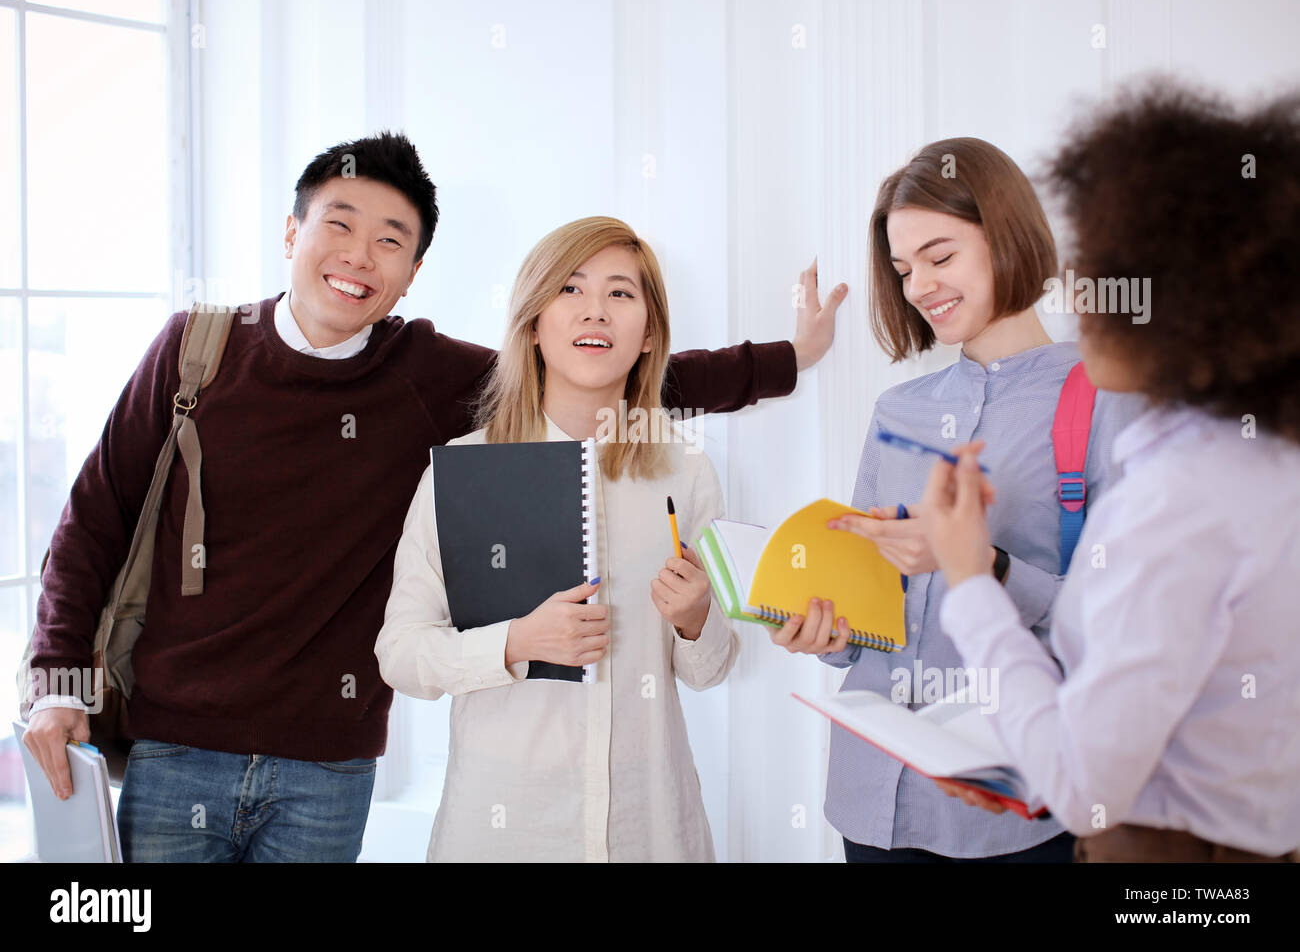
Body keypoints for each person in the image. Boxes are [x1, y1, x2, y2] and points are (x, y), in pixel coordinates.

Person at [19, 132, 843, 862]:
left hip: (329, 763)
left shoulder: (427, 375)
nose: (357, 257)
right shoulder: (192, 354)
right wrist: (58, 687)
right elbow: (92, 521)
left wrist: (790, 356)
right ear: (291, 232)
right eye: (337, 225)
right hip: (174, 746)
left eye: (390, 242)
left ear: (412, 275)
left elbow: (607, 363)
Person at [921, 83, 1300, 863]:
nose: (1077, 291)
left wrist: (969, 578)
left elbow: (1086, 785)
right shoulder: (1262, 462)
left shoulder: (1177, 502)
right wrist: (1020, 761)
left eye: (1099, 268)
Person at [769, 137, 1144, 861]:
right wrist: (829, 633)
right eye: (904, 269)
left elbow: (1127, 626)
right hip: (869, 799)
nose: (917, 288)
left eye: (940, 258)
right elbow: (869, 609)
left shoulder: (1106, 402)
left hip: (1012, 811)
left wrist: (987, 563)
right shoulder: (896, 411)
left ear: (1006, 235)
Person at [375, 216, 744, 862]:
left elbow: (712, 669)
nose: (595, 313)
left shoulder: (686, 474)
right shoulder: (465, 472)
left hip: (650, 828)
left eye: (621, 294)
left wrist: (695, 620)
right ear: (533, 322)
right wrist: (517, 642)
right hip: (504, 832)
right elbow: (401, 654)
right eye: (570, 290)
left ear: (649, 331)